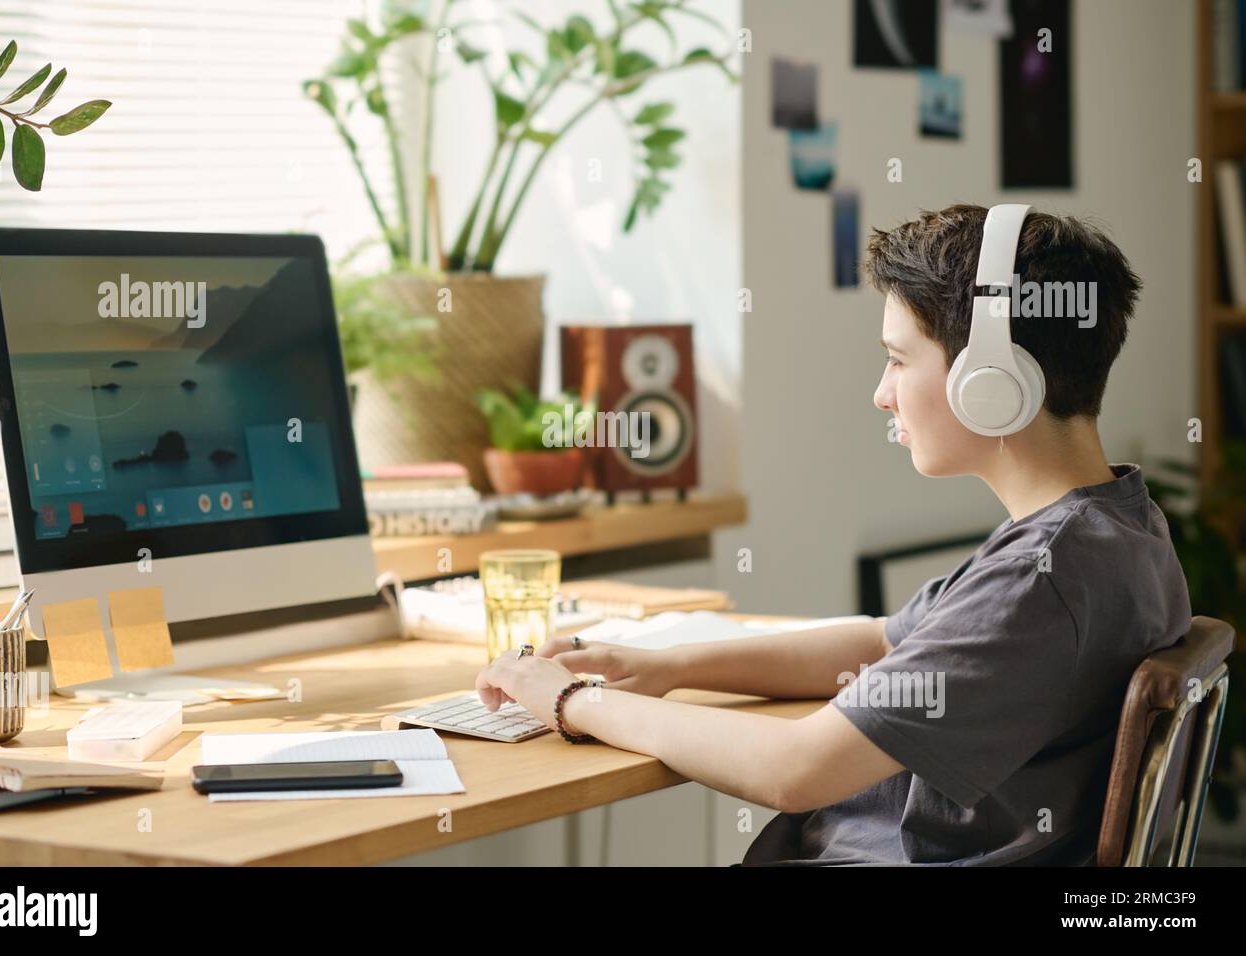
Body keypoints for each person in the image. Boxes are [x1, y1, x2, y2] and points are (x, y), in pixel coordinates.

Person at [473, 204, 1191, 865]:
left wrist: (571, 702)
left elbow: (795, 770)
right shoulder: (1112, 527)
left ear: (992, 380)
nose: (883, 392)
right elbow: (880, 641)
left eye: (900, 359)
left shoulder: (1045, 579)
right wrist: (673, 667)